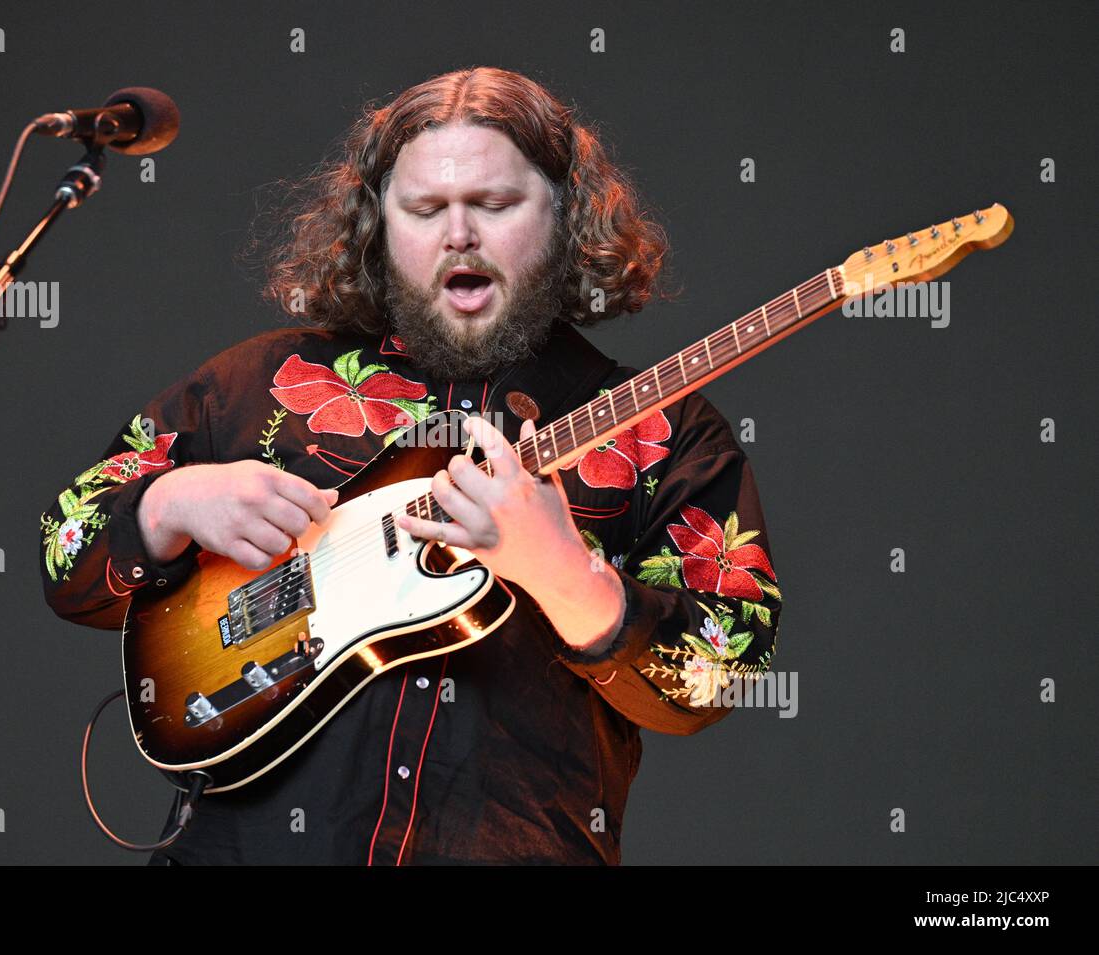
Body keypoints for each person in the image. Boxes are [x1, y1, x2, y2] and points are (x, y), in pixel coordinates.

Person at [38, 67, 782, 865]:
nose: (458, 234)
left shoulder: (663, 432)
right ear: (378, 224)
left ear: (567, 217)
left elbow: (720, 673)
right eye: (425, 209)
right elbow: (63, 552)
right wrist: (169, 504)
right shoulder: (266, 381)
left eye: (495, 204)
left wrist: (565, 573)